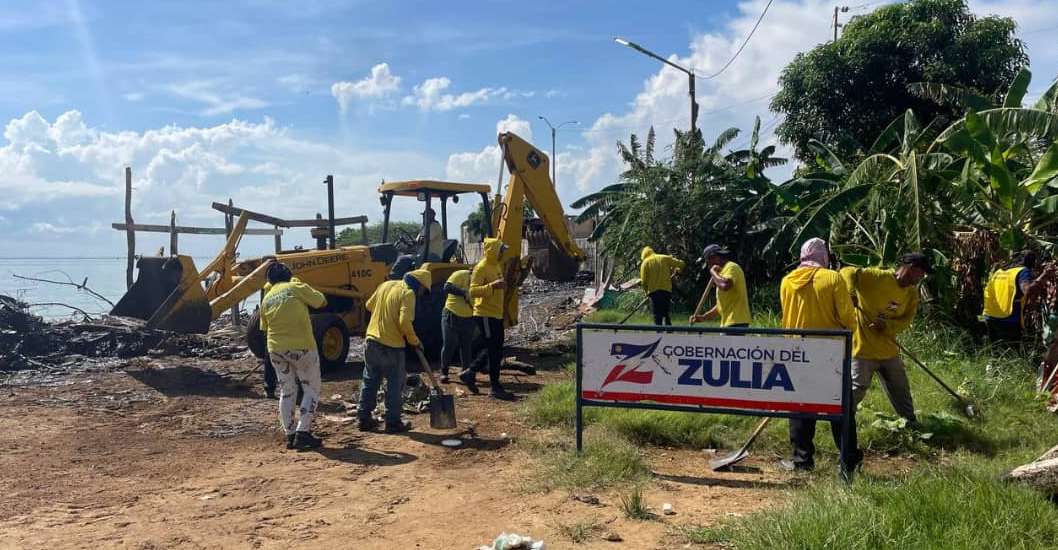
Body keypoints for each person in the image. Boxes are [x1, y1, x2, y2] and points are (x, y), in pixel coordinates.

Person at [779, 238, 863, 475]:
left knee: (800, 409)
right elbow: (848, 320)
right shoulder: (833, 278)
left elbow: (787, 318)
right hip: (830, 354)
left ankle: (802, 462)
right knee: (840, 408)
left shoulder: (787, 281)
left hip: (796, 353)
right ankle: (848, 459)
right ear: (823, 256)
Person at [840, 253, 930, 422]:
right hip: (862, 349)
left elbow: (905, 321)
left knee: (900, 387)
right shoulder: (877, 277)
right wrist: (850, 293)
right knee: (856, 388)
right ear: (911, 268)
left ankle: (910, 423)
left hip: (888, 351)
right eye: (921, 273)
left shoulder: (911, 294)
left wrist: (886, 327)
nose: (921, 277)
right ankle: (841, 421)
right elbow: (846, 271)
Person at [258, 262, 327, 450]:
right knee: (311, 388)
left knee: (287, 390)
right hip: (302, 347)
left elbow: (264, 328)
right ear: (289, 275)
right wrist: (298, 284)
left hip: (276, 349)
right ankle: (303, 432)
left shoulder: (267, 298)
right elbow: (321, 301)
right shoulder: (295, 286)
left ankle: (290, 434)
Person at [358, 268, 432, 433]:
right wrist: (415, 341)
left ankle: (364, 418)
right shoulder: (408, 293)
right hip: (391, 346)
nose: (422, 294)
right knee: (394, 383)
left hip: (371, 341)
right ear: (419, 285)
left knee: (370, 380)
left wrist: (385, 312)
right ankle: (393, 422)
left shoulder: (385, 285)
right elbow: (405, 321)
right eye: (424, 290)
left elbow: (369, 305)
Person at [459, 237, 515, 400]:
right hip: (485, 314)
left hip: (495, 314)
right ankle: (494, 386)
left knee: (496, 347)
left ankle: (471, 372)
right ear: (493, 251)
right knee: (494, 350)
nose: (503, 253)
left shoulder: (495, 265)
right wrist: (493, 286)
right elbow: (473, 291)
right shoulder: (481, 268)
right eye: (501, 250)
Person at [983, 250, 1054, 347]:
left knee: (996, 350)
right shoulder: (1023, 271)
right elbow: (1028, 289)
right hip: (1008, 318)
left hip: (990, 316)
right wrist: (1045, 274)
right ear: (1030, 261)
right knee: (1011, 352)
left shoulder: (999, 271)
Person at [689, 244, 751, 328]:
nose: (708, 265)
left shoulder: (731, 267)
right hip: (728, 322)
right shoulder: (722, 272)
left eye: (708, 261)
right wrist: (704, 317)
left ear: (714, 256)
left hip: (736, 321)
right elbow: (721, 305)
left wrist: (713, 272)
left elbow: (725, 285)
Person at [441, 268, 474, 384]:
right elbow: (447, 287)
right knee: (449, 344)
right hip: (451, 314)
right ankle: (444, 372)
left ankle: (466, 373)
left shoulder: (481, 282)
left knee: (466, 347)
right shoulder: (460, 274)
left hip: (469, 318)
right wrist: (463, 292)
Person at [640, 246, 685, 326]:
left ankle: (658, 332)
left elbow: (644, 281)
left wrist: (646, 292)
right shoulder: (665, 258)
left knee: (657, 314)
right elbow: (681, 264)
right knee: (665, 312)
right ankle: (669, 330)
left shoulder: (645, 263)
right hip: (666, 291)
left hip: (653, 293)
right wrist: (677, 269)